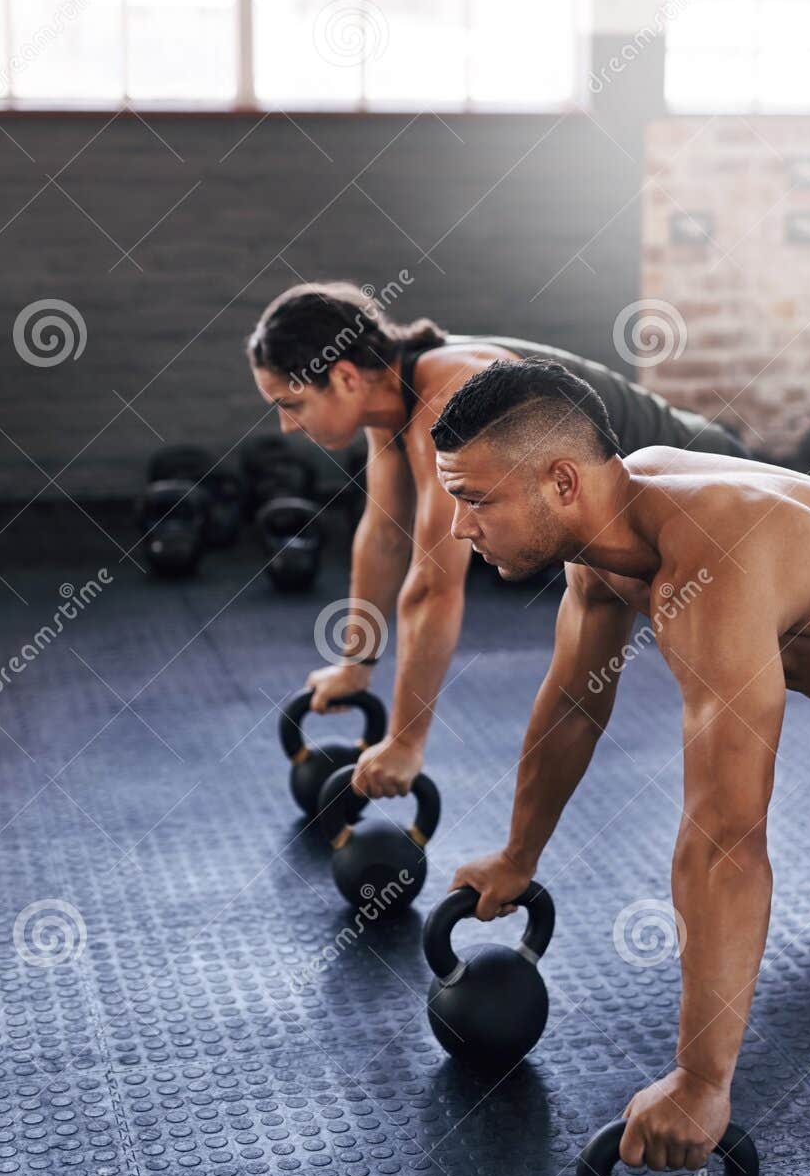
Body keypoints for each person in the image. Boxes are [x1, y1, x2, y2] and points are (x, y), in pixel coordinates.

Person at [429, 358, 810, 1174]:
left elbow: (726, 838)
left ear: (562, 481)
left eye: (473, 499)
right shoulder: (609, 531)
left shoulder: (711, 561)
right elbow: (574, 707)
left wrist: (701, 1078)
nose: (460, 528)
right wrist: (518, 854)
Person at [248, 282, 744, 798]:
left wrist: (404, 741)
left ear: (346, 377)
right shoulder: (391, 401)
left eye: (291, 403)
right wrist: (355, 666)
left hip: (710, 483)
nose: (286, 426)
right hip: (627, 519)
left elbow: (434, 585)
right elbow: (385, 538)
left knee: (753, 687)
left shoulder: (446, 393)